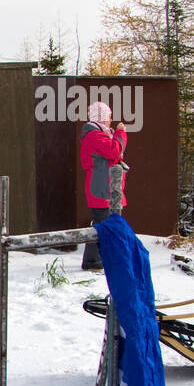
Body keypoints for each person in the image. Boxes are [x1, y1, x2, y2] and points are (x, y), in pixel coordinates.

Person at [80, 100, 127, 272]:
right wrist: (121, 133)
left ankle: (98, 259)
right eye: (108, 117)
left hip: (104, 185)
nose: (110, 120)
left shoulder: (99, 134)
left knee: (104, 222)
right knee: (102, 223)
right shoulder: (94, 135)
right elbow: (114, 151)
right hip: (101, 186)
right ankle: (92, 261)